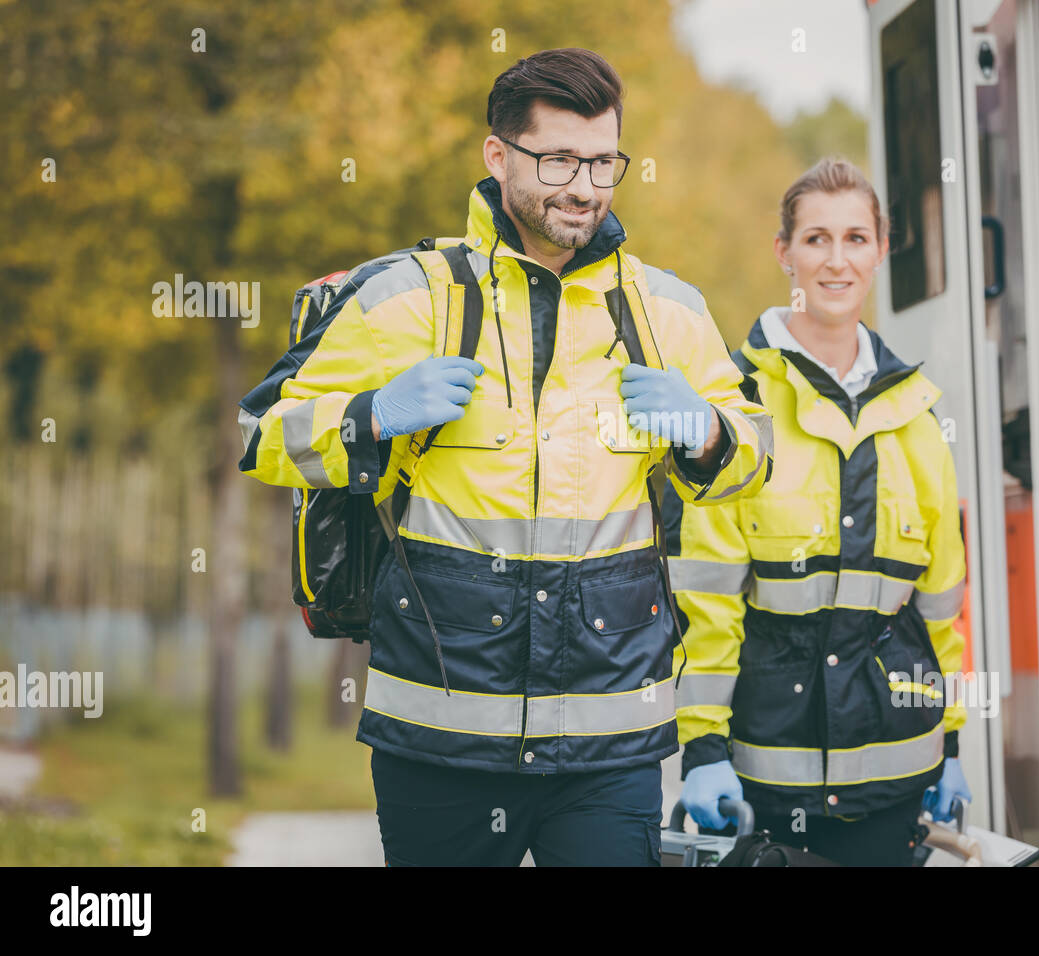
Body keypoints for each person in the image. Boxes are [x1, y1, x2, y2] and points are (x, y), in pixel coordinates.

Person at [236, 48, 772, 866]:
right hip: (438, 741)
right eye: (558, 158)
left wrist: (708, 432)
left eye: (603, 161)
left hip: (609, 747)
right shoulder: (402, 299)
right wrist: (369, 417)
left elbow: (754, 465)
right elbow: (262, 434)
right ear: (499, 155)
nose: (585, 186)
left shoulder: (671, 311)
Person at [664, 157, 971, 866]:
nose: (838, 261)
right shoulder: (735, 408)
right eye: (816, 239)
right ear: (785, 253)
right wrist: (703, 749)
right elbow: (705, 607)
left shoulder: (919, 416)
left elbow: (941, 611)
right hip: (765, 782)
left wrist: (950, 743)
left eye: (857, 239)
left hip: (898, 778)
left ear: (881, 251)